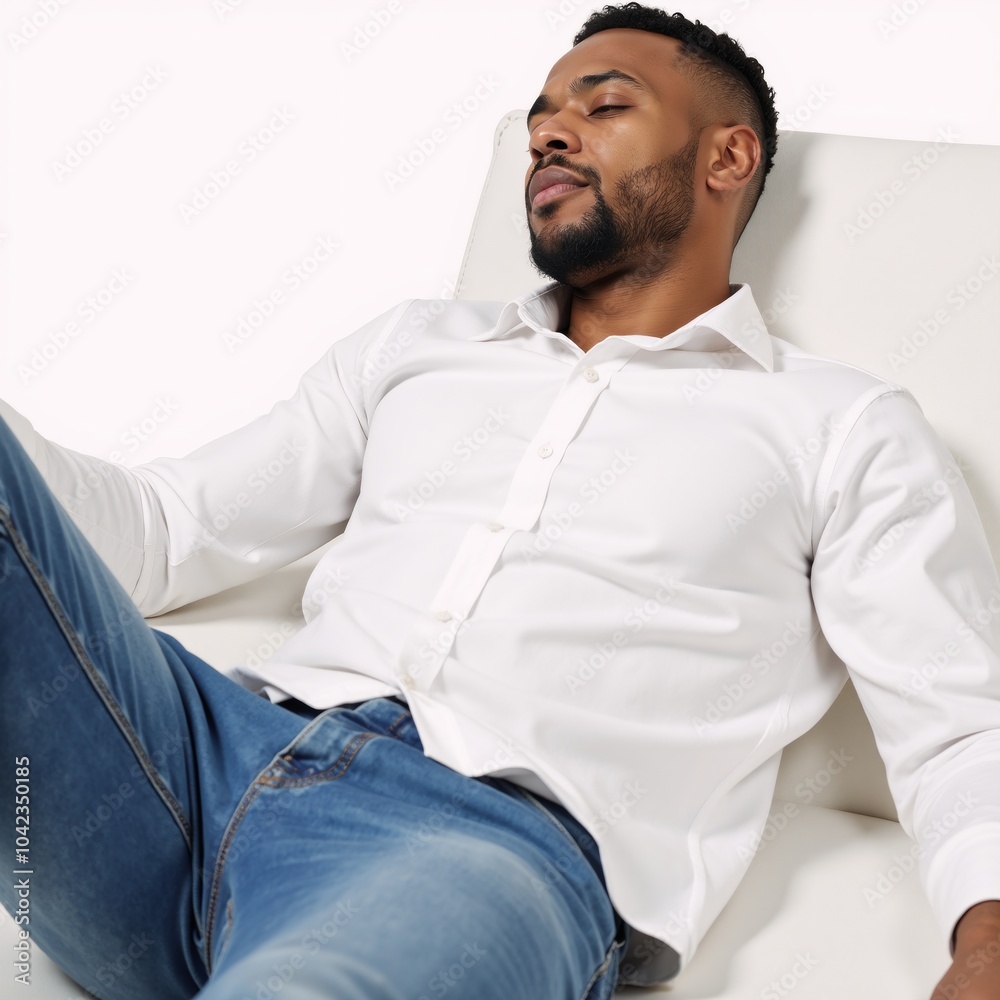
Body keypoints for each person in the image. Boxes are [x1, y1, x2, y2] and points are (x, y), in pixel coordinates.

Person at [2, 3, 999, 998]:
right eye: (538, 117)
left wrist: (985, 949)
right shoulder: (418, 346)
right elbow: (168, 531)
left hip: (478, 849)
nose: (546, 133)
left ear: (726, 158)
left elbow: (958, 728)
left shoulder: (840, 425)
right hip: (193, 754)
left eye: (603, 105)